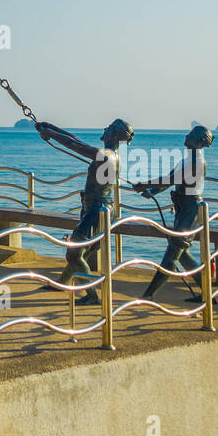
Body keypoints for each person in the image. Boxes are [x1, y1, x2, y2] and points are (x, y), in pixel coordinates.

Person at [35, 117, 134, 304]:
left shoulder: (106, 155)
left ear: (114, 135)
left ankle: (92, 296)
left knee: (74, 254)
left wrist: (51, 134)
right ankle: (62, 283)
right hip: (95, 207)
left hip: (97, 210)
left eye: (110, 127)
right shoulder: (109, 153)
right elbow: (75, 140)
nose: (105, 127)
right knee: (82, 253)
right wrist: (50, 126)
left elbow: (74, 145)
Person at [133, 126, 214, 302]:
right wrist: (152, 190)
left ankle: (148, 295)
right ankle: (209, 294)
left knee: (172, 255)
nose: (186, 135)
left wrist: (145, 184)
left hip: (191, 210)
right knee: (181, 253)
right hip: (182, 208)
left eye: (191, 134)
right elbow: (170, 178)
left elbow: (172, 179)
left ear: (199, 141)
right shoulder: (186, 159)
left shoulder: (196, 162)